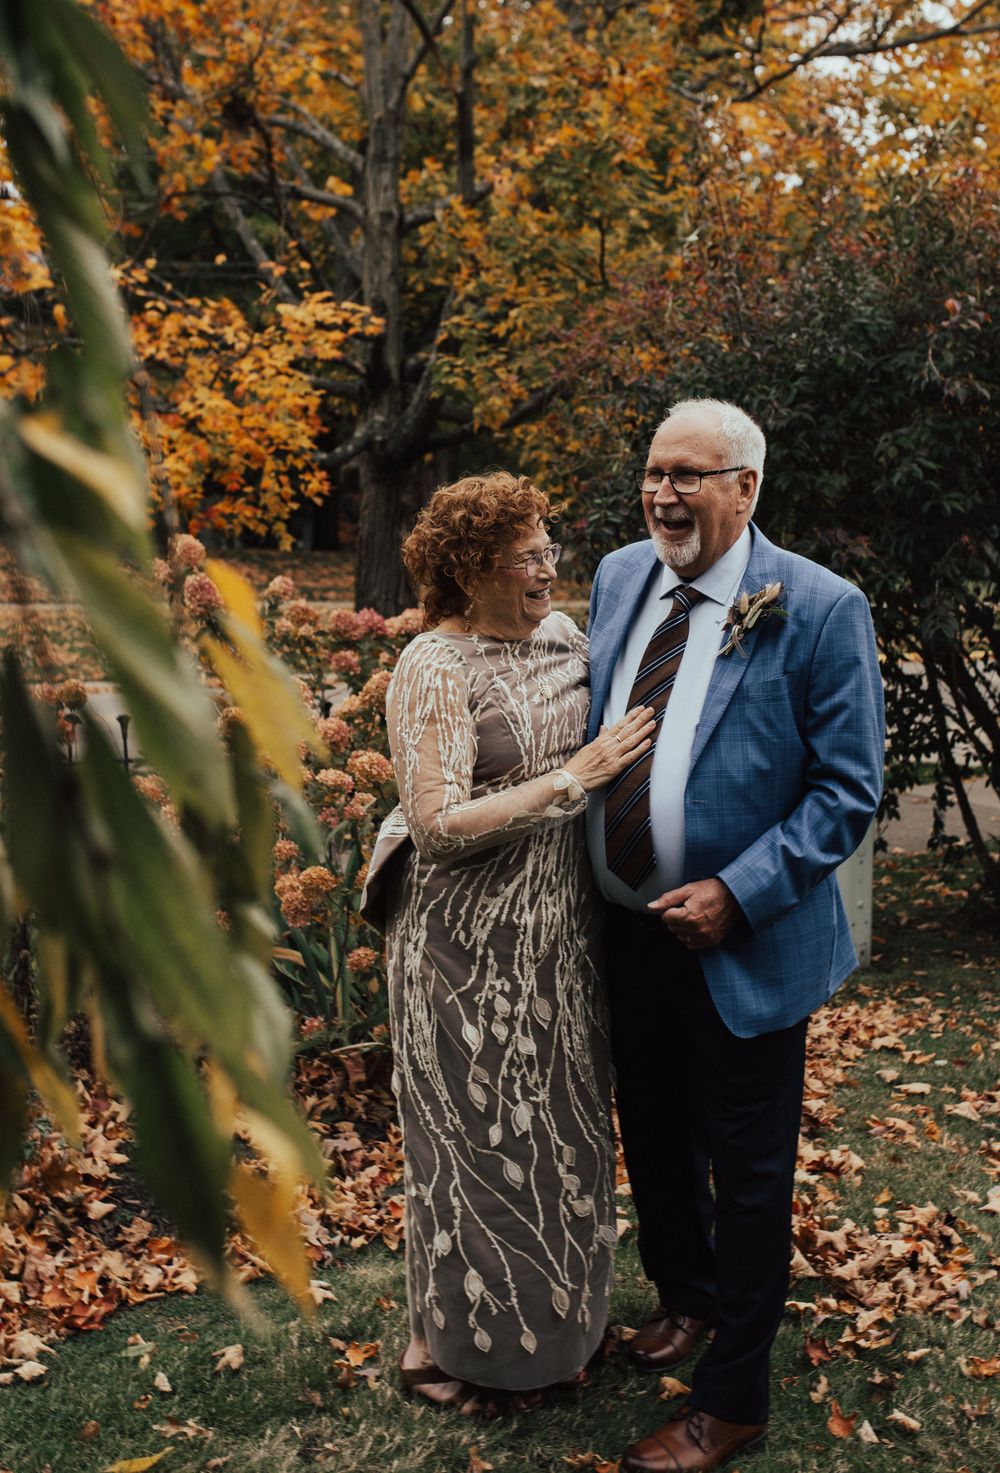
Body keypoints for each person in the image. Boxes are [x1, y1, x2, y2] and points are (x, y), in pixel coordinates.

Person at [585, 399, 884, 1472]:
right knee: (655, 1136)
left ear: (745, 487)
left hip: (744, 942)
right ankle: (687, 1296)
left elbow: (848, 788)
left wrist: (740, 891)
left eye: (691, 475)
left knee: (750, 1175)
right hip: (629, 932)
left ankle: (734, 1398)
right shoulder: (620, 576)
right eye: (655, 471)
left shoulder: (816, 605)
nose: (664, 493)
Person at [362, 470, 655, 1415]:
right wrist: (572, 779)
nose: (547, 567)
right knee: (471, 1147)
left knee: (560, 1134)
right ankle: (451, 1348)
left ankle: (560, 1336)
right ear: (472, 569)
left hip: (559, 943)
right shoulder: (434, 668)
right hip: (458, 951)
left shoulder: (565, 638)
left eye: (547, 547)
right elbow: (437, 820)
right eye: (526, 554)